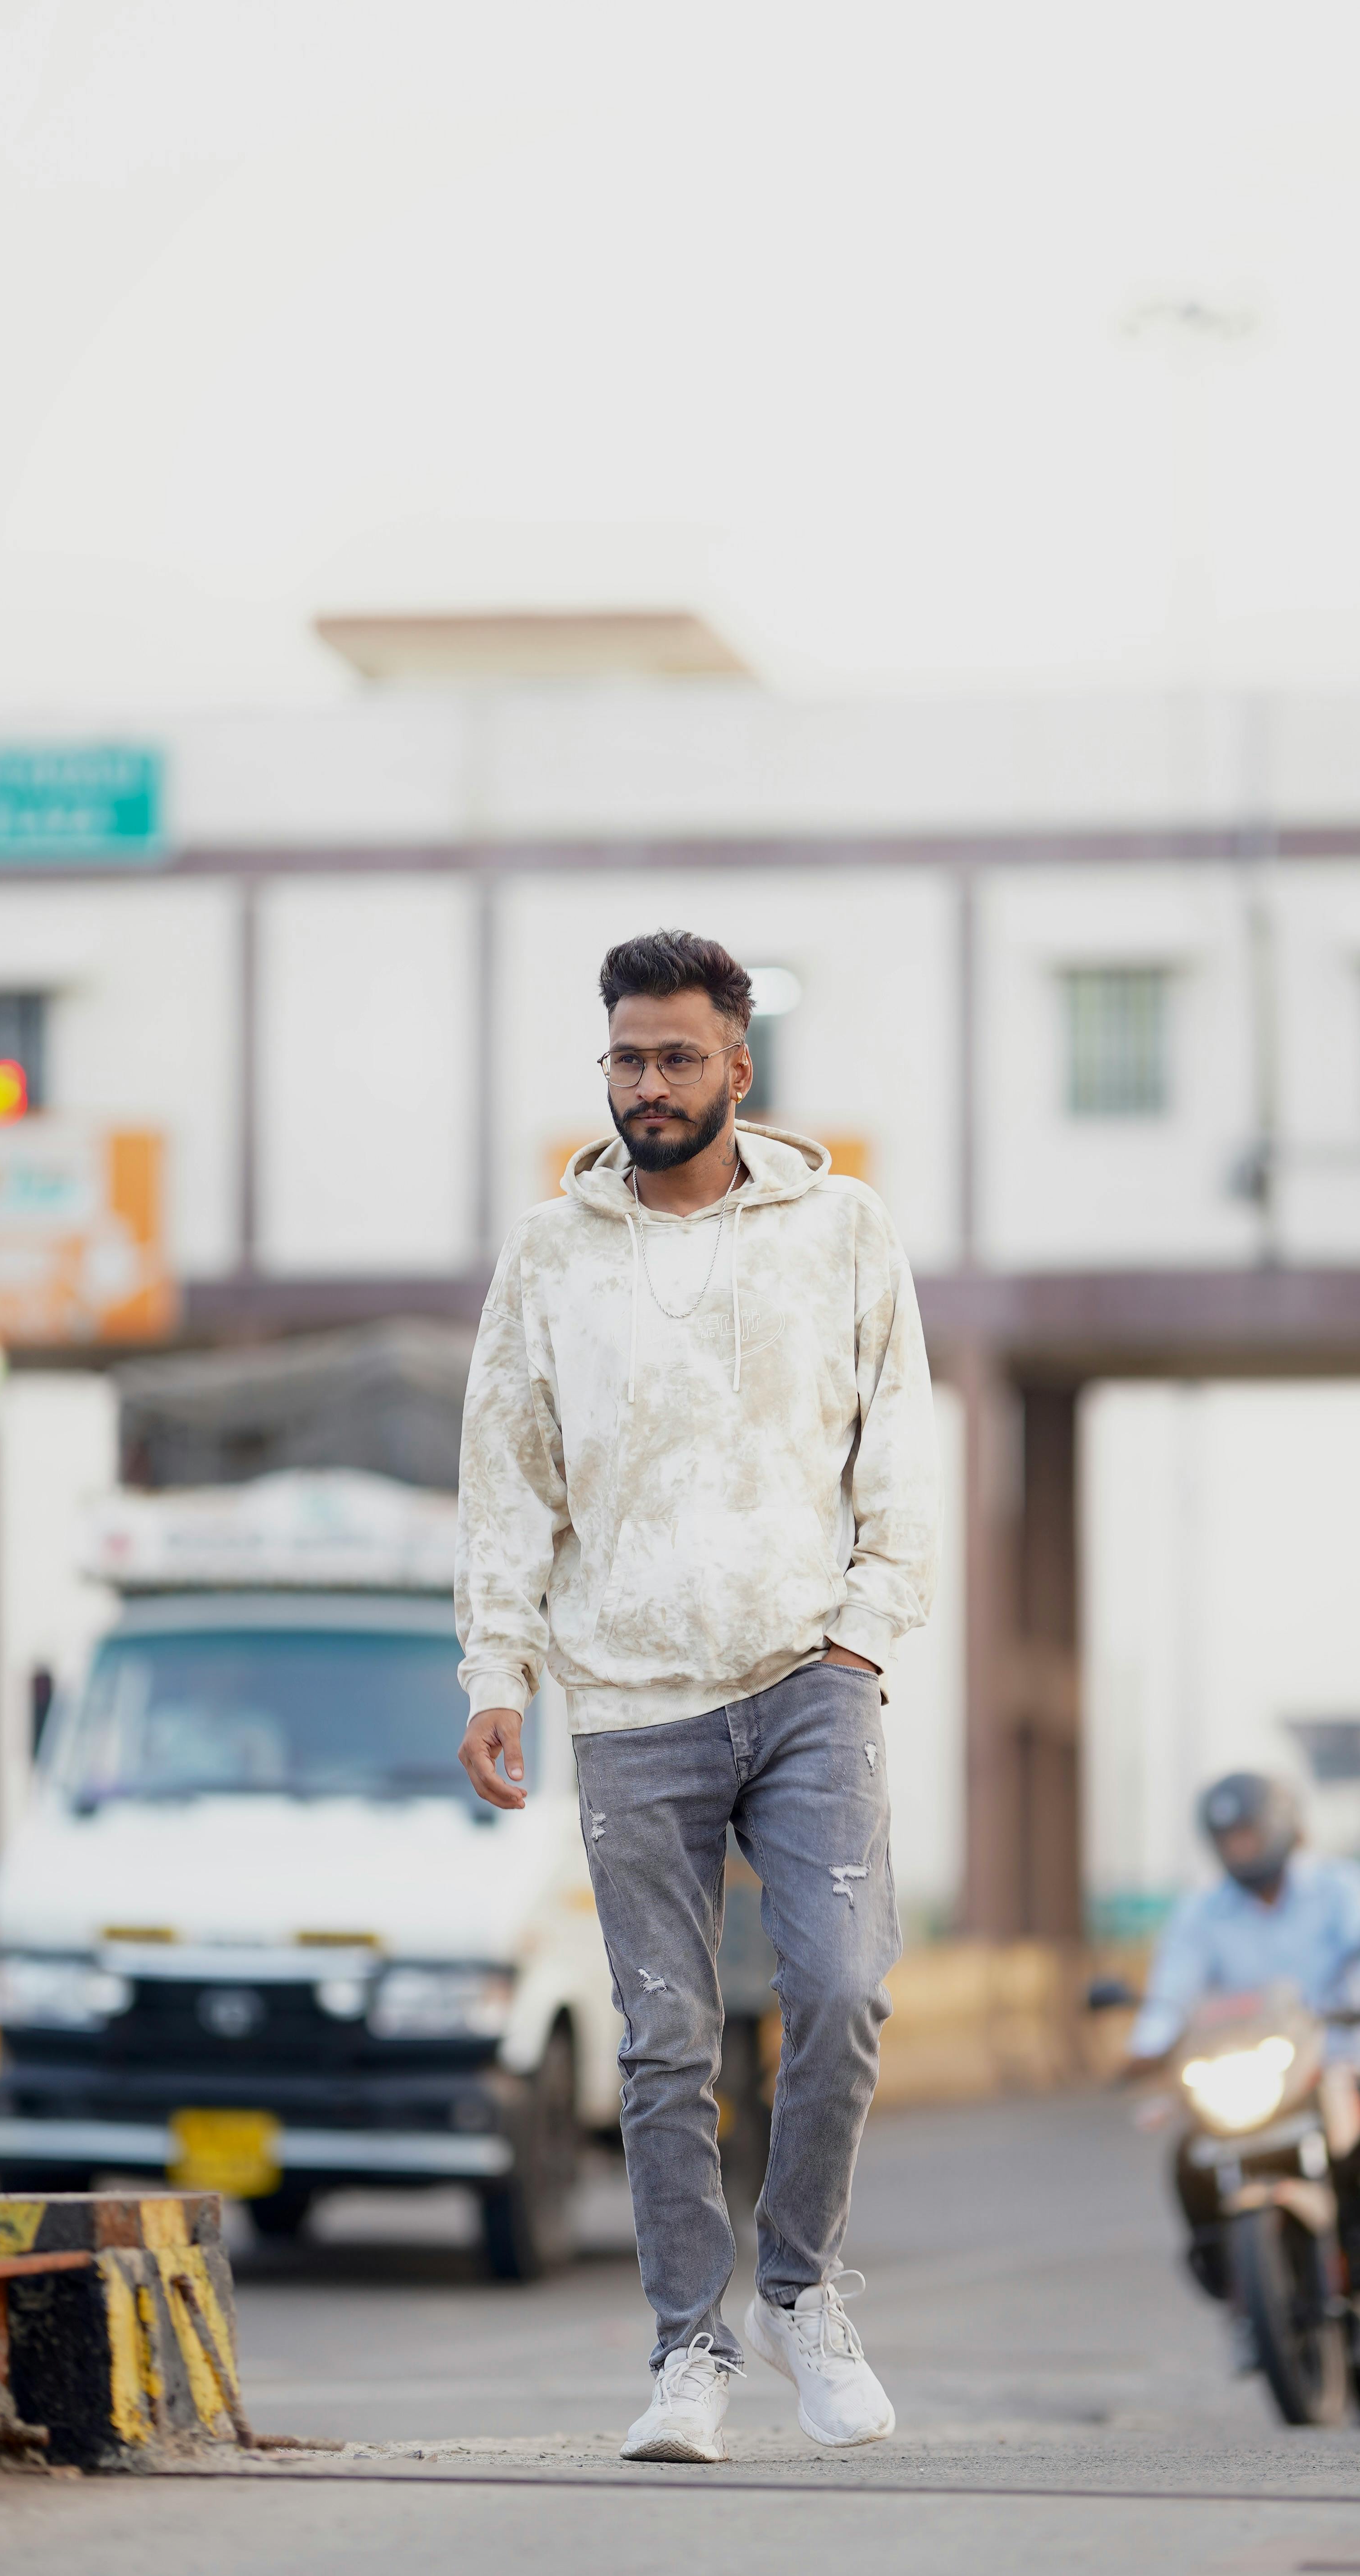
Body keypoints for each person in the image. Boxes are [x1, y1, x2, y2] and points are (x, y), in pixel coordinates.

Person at [455, 928, 938, 2461]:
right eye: (625, 1058)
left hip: (809, 1674)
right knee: (662, 2043)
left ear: (739, 1068)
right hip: (628, 1699)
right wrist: (498, 1669)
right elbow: (504, 1479)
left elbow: (899, 1437)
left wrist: (868, 1626)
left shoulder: (841, 1226)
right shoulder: (550, 1252)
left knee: (844, 1990)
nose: (647, 1084)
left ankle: (801, 2292)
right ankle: (688, 2354)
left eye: (676, 1057)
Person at [1123, 1770, 1360, 2341]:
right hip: (1256, 2071)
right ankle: (1242, 2294)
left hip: (1342, 2058)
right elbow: (1172, 1988)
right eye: (1228, 1839)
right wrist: (1144, 2048)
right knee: (1188, 2157)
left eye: (1248, 1835)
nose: (1240, 1848)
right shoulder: (1202, 1913)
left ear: (1280, 1830)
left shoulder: (1338, 1887)